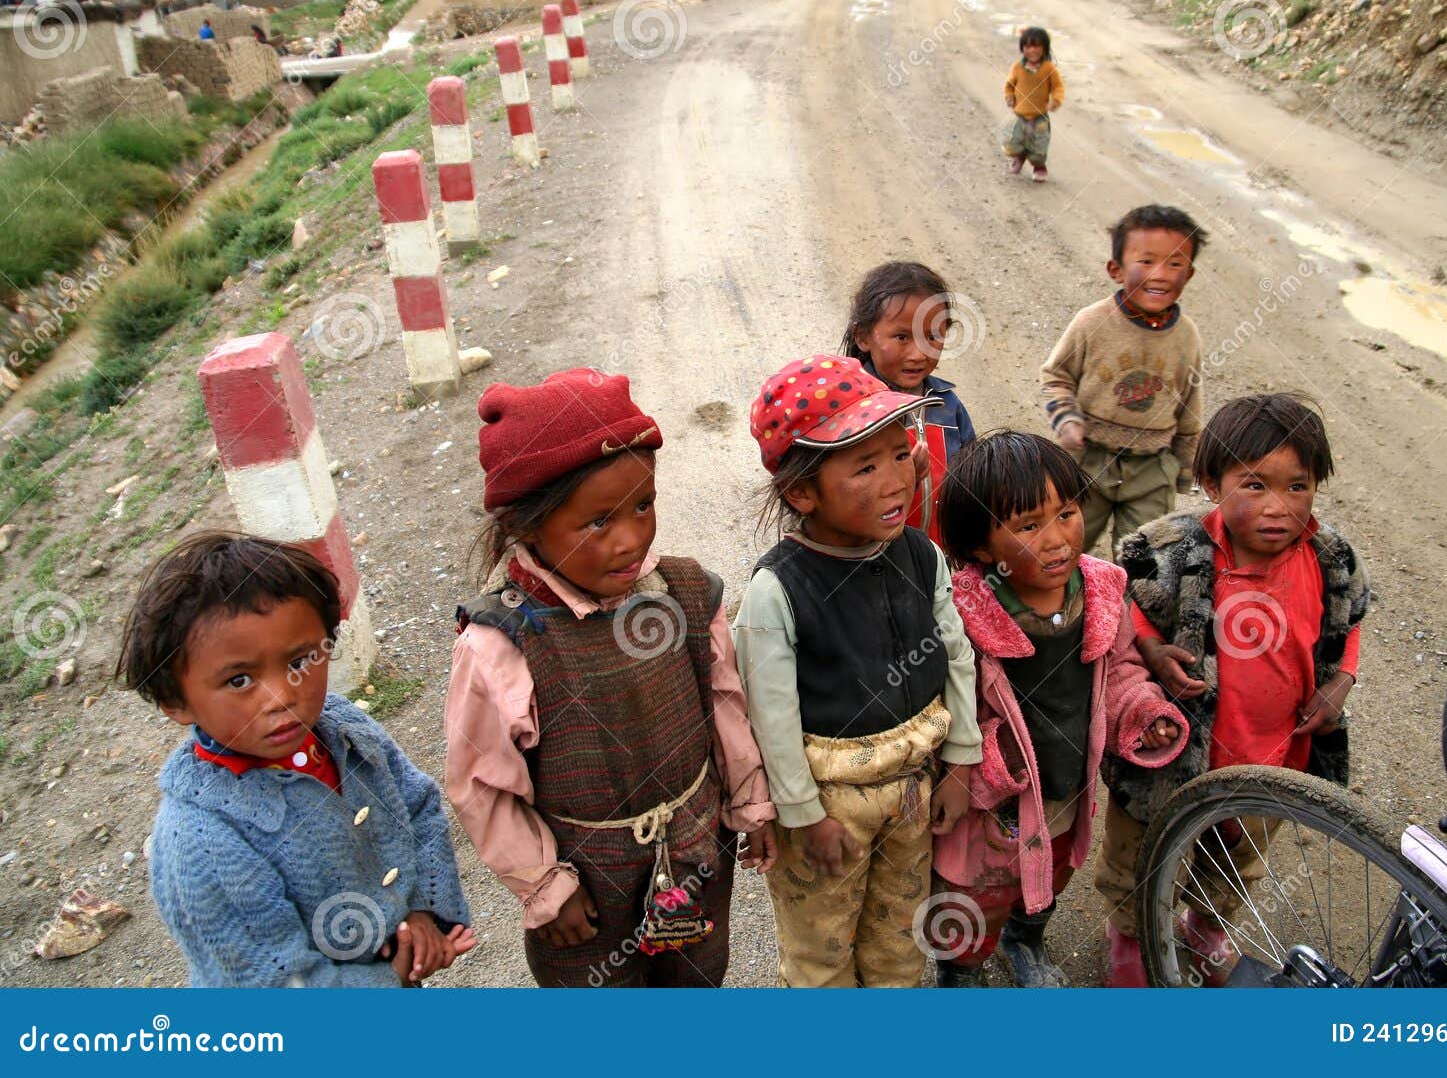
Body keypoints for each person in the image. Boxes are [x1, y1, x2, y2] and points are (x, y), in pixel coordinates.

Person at [446, 370, 776, 987]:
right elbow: (484, 787)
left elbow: (726, 705)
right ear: (526, 528)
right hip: (584, 893)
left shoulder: (686, 594)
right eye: (598, 522)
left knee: (698, 984)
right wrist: (544, 886)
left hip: (695, 855)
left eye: (643, 506)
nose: (631, 540)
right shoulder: (500, 645)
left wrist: (751, 802)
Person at [1095, 393, 1371, 985]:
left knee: (1237, 856)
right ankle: (1130, 935)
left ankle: (1206, 928)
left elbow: (1347, 628)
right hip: (1171, 757)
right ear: (1209, 482)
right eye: (1254, 486)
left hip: (1271, 756)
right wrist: (1151, 651)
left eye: (1297, 487)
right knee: (1139, 855)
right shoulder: (1168, 551)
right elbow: (1126, 608)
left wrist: (1340, 681)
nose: (1278, 508)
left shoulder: (1330, 560)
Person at [127, 532, 475, 987]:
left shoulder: (343, 728)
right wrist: (385, 981)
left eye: (301, 660)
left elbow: (416, 806)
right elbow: (272, 983)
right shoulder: (202, 843)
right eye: (239, 681)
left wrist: (422, 913)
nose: (283, 697)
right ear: (175, 701)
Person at [734, 354, 981, 987]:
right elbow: (771, 714)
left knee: (899, 938)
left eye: (901, 454)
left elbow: (955, 652)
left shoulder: (921, 555)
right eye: (864, 467)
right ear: (803, 493)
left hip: (913, 788)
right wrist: (803, 815)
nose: (897, 480)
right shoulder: (777, 590)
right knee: (822, 951)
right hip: (829, 804)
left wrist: (961, 759)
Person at [927, 432, 1187, 987]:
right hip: (995, 797)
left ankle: (1026, 938)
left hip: (1068, 783)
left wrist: (1143, 711)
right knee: (979, 891)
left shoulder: (1097, 593)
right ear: (980, 549)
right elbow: (947, 704)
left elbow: (1120, 670)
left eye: (1066, 513)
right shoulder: (963, 613)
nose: (1057, 539)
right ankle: (962, 969)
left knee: (1055, 870)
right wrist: (985, 762)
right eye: (1027, 526)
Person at [1040, 203, 1207, 555]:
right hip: (1088, 460)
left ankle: (1126, 610)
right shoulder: (1091, 323)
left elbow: (1189, 401)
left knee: (1143, 556)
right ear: (1116, 269)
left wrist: (1185, 465)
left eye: (1175, 263)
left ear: (1189, 275)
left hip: (1152, 467)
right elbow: (1056, 375)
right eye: (1146, 261)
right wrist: (1066, 418)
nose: (1160, 274)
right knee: (1066, 545)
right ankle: (1062, 605)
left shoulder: (1187, 336)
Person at [842, 261, 978, 548]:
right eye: (902, 337)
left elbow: (973, 481)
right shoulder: (852, 408)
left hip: (939, 556)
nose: (918, 354)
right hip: (869, 559)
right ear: (863, 336)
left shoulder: (948, 407)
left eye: (932, 337)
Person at [1003, 27, 1064, 182]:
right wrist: (1009, 96)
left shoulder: (1049, 69)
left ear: (1044, 48)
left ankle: (1039, 167)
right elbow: (1009, 85)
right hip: (1020, 115)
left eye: (1037, 46)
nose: (1032, 50)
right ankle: (1019, 158)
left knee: (1039, 146)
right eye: (1028, 47)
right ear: (1022, 48)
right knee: (1014, 142)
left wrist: (1055, 100)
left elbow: (1058, 87)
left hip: (1039, 116)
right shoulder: (1017, 67)